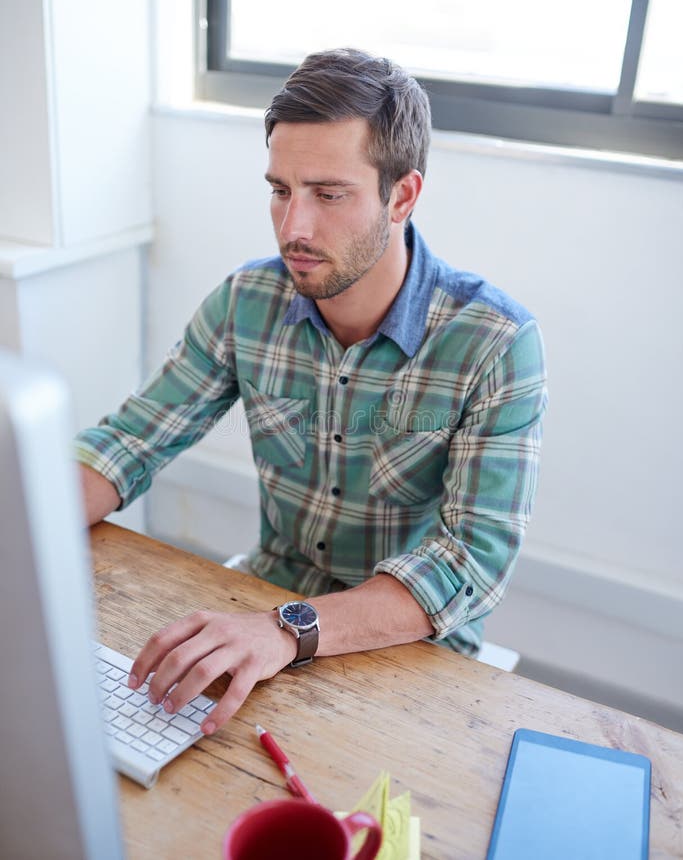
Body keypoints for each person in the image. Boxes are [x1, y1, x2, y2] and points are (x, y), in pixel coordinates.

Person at [76, 48, 547, 735]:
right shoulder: (246, 300)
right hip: (265, 599)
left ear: (402, 195)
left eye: (328, 194)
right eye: (279, 190)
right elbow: (127, 441)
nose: (293, 227)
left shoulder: (494, 342)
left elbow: (470, 565)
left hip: (404, 651)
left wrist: (285, 628)